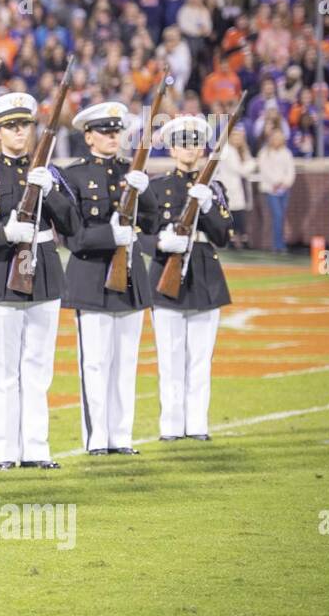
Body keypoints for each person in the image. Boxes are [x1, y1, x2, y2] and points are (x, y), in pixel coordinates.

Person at [0, 91, 80, 469]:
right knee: (1, 373)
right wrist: (5, 232)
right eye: (12, 127)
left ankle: (36, 448)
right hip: (0, 274)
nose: (20, 132)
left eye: (25, 125)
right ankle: (2, 452)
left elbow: (72, 226)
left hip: (44, 272)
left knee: (37, 370)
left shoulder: (50, 174)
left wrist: (50, 192)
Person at [60, 101, 160, 456]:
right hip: (91, 277)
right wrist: (108, 237)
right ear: (88, 136)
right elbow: (71, 236)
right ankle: (97, 438)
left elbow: (153, 222)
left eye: (116, 131)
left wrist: (144, 189)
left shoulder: (130, 172)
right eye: (105, 132)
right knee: (96, 363)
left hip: (129, 277)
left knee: (126, 363)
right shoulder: (73, 176)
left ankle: (122, 436)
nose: (112, 137)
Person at [149, 115, 234, 440]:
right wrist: (160, 242)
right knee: (170, 358)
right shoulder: (157, 188)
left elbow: (224, 235)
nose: (190, 150)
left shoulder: (215, 187)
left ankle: (197, 424)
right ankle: (170, 425)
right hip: (167, 272)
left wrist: (210, 204)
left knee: (200, 359)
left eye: (196, 144)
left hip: (204, 275)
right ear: (172, 149)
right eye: (184, 144)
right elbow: (142, 233)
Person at [213, 122, 257, 249]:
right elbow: (240, 169)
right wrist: (252, 164)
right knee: (232, 216)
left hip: (238, 189)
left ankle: (241, 240)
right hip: (229, 189)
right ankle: (232, 241)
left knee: (239, 216)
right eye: (234, 135)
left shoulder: (241, 150)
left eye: (239, 136)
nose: (237, 138)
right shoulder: (227, 150)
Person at [256, 126, 295, 253]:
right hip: (271, 189)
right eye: (275, 138)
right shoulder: (264, 153)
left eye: (279, 138)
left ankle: (279, 243)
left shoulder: (286, 153)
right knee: (277, 215)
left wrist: (285, 183)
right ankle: (277, 245)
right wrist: (276, 182)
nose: (277, 140)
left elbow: (290, 170)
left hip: (284, 189)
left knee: (281, 216)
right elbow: (265, 170)